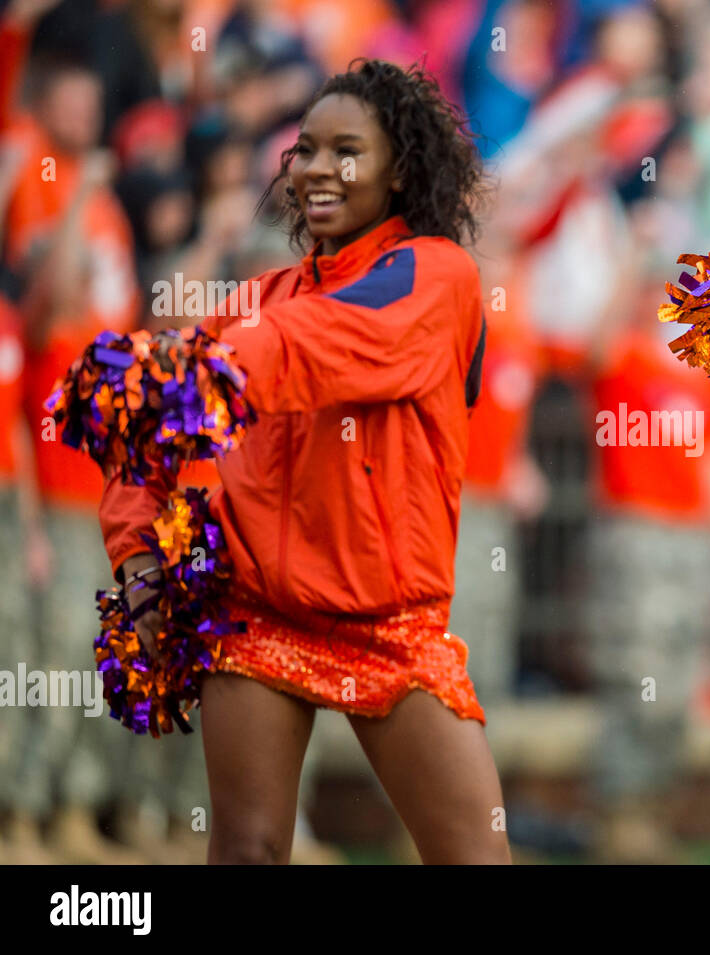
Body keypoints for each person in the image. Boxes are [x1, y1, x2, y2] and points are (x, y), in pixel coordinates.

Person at [97, 59, 509, 864]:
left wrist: (194, 368)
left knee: (475, 856)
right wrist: (142, 560)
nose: (318, 168)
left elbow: (332, 340)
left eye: (346, 150)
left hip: (392, 623)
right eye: (304, 151)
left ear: (399, 174)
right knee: (248, 849)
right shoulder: (257, 301)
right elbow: (138, 428)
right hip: (259, 607)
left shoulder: (439, 277)